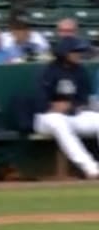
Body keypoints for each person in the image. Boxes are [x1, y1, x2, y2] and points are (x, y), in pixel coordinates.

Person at [33, 36, 99, 179]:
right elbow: (39, 100)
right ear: (65, 53)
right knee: (58, 122)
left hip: (73, 114)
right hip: (46, 117)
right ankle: (91, 168)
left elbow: (84, 99)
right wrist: (53, 106)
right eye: (75, 51)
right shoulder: (48, 71)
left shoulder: (80, 71)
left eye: (79, 51)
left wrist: (71, 106)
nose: (78, 54)